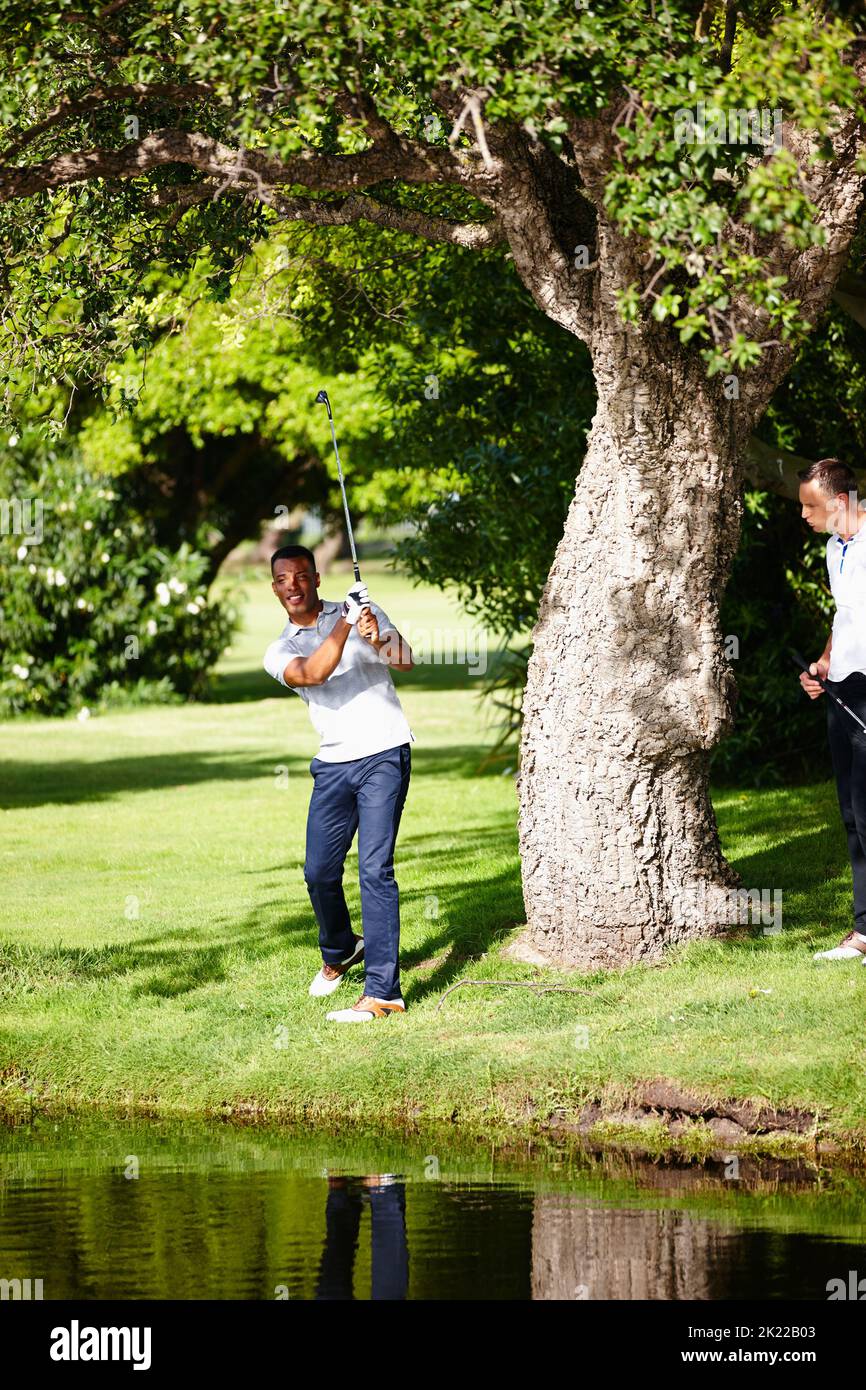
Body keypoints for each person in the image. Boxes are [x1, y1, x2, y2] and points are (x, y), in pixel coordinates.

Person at [262, 544, 416, 1019]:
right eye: (283, 580)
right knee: (319, 873)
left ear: (316, 578)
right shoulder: (281, 649)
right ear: (275, 589)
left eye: (301, 576)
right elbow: (313, 673)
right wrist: (347, 623)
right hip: (333, 764)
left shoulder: (361, 610)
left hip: (384, 752)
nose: (293, 586)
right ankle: (342, 947)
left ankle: (384, 992)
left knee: (374, 870)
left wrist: (377, 637)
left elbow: (406, 660)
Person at [797, 458, 866, 965]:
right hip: (840, 692)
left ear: (839, 502)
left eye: (811, 506)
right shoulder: (832, 548)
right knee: (850, 815)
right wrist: (822, 663)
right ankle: (863, 932)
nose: (804, 515)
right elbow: (846, 617)